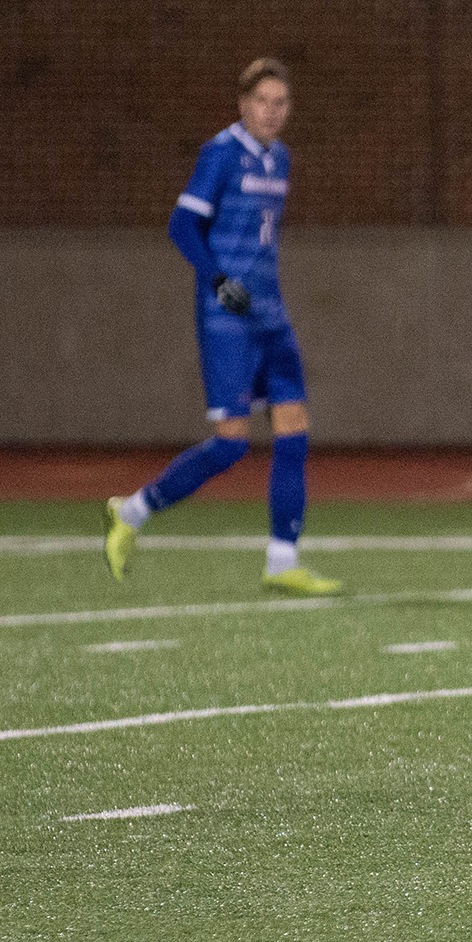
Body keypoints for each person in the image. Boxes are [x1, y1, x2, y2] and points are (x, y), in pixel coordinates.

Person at [102, 59, 342, 597]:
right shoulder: (221, 153)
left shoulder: (280, 159)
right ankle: (134, 511)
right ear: (242, 104)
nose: (272, 111)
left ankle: (283, 562)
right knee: (233, 444)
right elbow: (181, 225)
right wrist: (215, 281)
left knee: (294, 428)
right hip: (226, 317)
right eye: (262, 101)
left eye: (281, 103)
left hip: (270, 315)